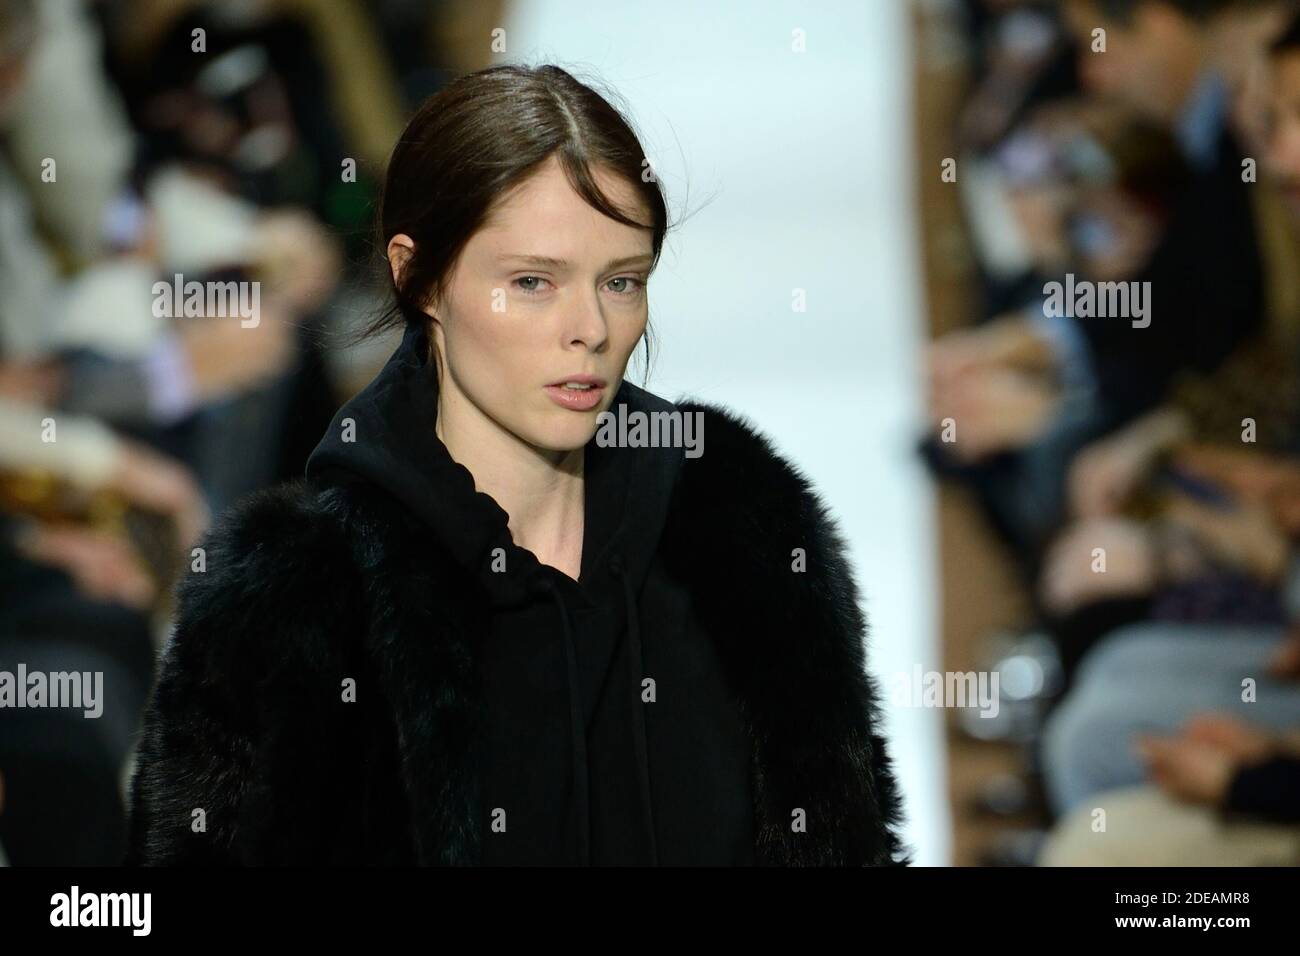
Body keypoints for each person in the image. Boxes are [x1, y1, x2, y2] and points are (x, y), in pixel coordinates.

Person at [123, 64, 907, 867]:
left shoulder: (744, 522)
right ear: (418, 277)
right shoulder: (293, 594)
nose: (590, 328)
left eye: (622, 281)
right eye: (532, 282)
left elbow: (848, 843)